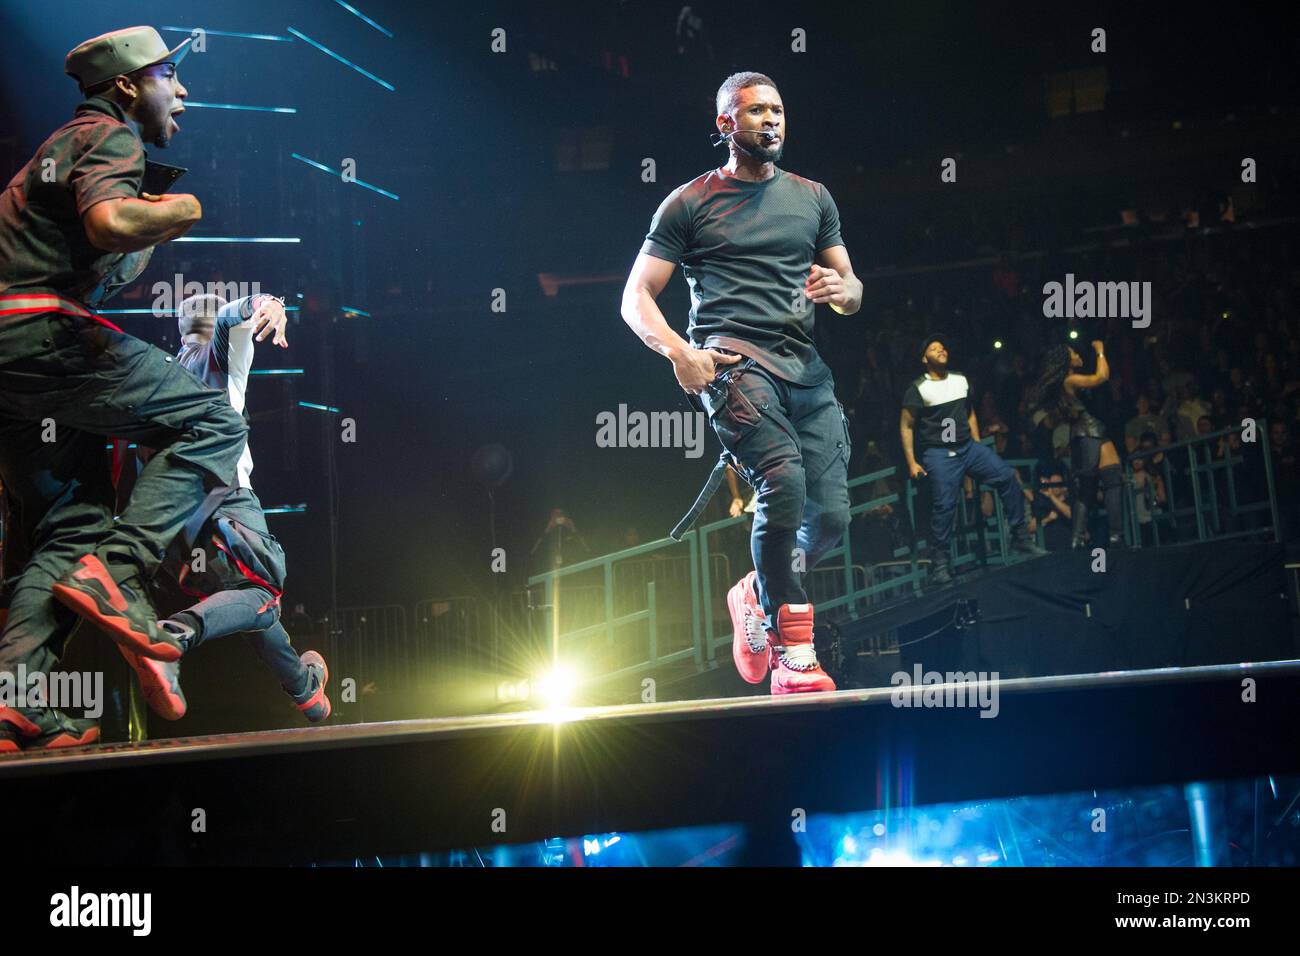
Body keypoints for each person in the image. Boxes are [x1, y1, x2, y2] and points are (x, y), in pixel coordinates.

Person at [0, 27, 248, 752]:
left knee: (69, 523)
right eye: (172, 77)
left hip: (10, 366)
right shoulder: (109, 137)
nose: (184, 93)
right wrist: (183, 210)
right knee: (213, 425)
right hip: (42, 335)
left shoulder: (54, 150)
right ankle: (116, 577)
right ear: (128, 86)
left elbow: (95, 251)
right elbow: (109, 222)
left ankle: (15, 699)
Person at [622, 72, 861, 694]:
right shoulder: (689, 202)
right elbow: (635, 296)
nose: (772, 121)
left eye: (779, 110)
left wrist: (845, 293)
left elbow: (851, 288)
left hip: (807, 374)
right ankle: (795, 651)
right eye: (756, 111)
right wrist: (678, 352)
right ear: (727, 124)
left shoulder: (813, 197)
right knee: (782, 485)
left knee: (830, 517)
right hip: (734, 368)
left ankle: (753, 591)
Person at [114, 292, 329, 724]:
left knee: (246, 602)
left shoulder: (157, 377)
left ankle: (305, 691)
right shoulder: (216, 357)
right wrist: (265, 305)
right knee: (264, 590)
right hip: (223, 498)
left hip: (169, 523)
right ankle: (170, 636)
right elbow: (233, 319)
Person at [899, 335, 1046, 586]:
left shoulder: (960, 380)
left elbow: (970, 413)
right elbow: (906, 425)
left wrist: (977, 443)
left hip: (967, 447)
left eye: (942, 347)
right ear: (925, 358)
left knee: (1008, 476)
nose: (941, 350)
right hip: (939, 453)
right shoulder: (918, 388)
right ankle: (940, 563)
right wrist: (912, 462)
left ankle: (1020, 536)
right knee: (945, 505)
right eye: (934, 349)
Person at [1028, 340, 1126, 549]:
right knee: (1091, 486)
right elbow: (1102, 377)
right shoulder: (1070, 380)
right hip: (1087, 433)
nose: (1077, 354)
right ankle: (1083, 536)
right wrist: (1100, 351)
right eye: (1072, 353)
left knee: (1111, 478)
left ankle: (1111, 535)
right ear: (1066, 360)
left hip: (1094, 430)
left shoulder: (1068, 381)